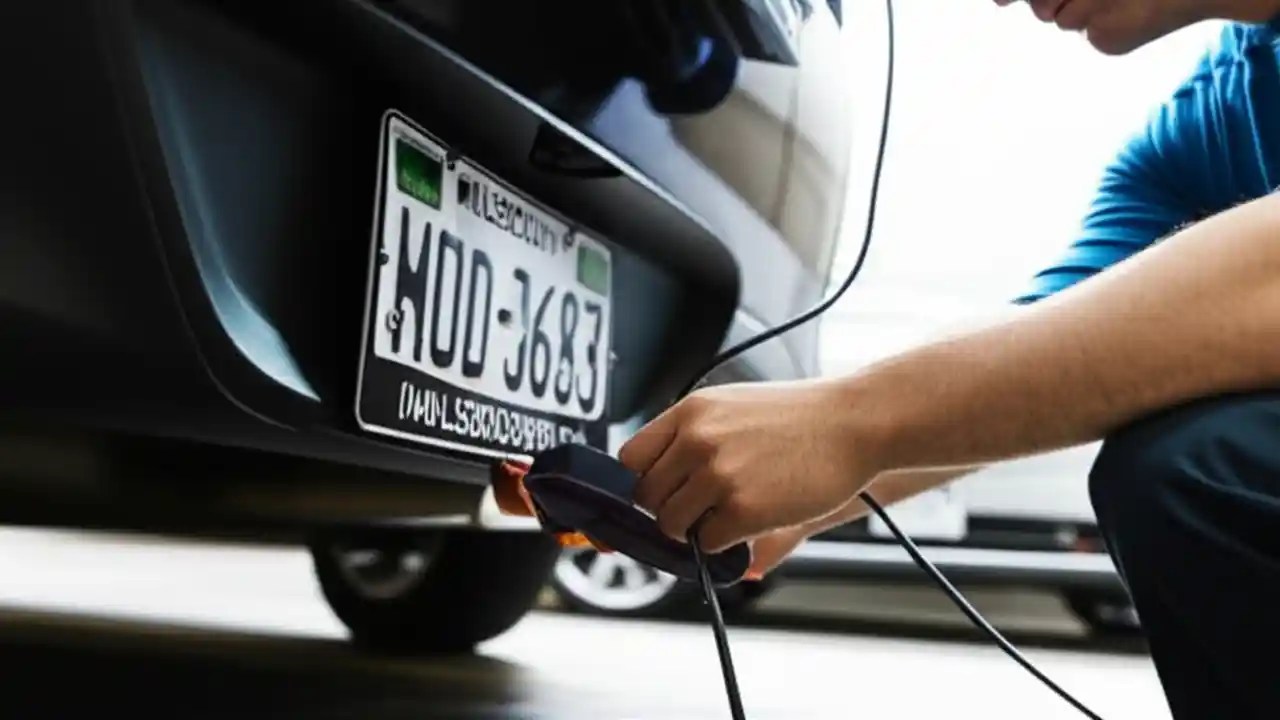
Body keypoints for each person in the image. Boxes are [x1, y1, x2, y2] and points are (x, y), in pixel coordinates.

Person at [618, 1, 1280, 717]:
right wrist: (782, 498)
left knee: (1197, 466)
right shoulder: (1212, 119)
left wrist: (847, 424)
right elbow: (1051, 340)